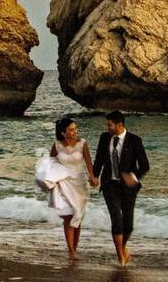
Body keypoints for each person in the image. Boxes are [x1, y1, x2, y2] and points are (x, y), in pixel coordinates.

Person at [92, 110, 149, 266]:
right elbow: (99, 160)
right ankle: (120, 257)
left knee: (128, 225)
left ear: (119, 124)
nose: (107, 127)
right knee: (116, 220)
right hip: (109, 185)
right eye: (107, 124)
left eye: (110, 125)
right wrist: (95, 175)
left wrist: (134, 176)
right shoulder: (104, 138)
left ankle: (122, 247)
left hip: (128, 187)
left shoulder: (135, 141)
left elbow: (145, 165)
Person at [47, 115, 98, 261]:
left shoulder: (82, 143)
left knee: (78, 216)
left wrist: (93, 177)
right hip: (63, 183)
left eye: (75, 129)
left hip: (80, 184)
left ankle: (74, 248)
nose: (75, 131)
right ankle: (71, 251)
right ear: (63, 132)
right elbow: (51, 163)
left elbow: (89, 162)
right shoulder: (57, 145)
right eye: (71, 130)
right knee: (68, 217)